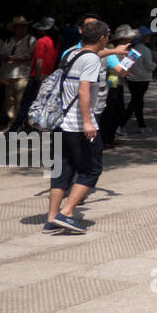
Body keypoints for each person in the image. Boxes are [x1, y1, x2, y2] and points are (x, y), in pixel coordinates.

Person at [45, 19, 112, 234]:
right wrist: (87, 122)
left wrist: (116, 51)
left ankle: (51, 218)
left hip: (59, 123)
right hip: (77, 125)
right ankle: (67, 213)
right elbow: (83, 91)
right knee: (91, 170)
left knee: (61, 172)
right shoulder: (91, 59)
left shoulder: (71, 54)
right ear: (102, 38)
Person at [12, 17, 59, 131]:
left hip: (37, 76)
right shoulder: (56, 42)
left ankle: (14, 129)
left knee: (25, 104)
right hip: (49, 77)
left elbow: (39, 60)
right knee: (40, 104)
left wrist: (37, 76)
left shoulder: (41, 41)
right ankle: (30, 127)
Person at [98, 26, 139, 148]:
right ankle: (105, 140)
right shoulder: (110, 50)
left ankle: (110, 138)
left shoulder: (120, 49)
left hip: (118, 83)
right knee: (109, 113)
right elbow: (119, 70)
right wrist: (130, 59)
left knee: (118, 111)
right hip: (111, 84)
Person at [117, 27, 156, 136]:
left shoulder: (132, 49)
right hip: (143, 79)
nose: (149, 38)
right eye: (148, 36)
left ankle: (142, 125)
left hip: (131, 79)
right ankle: (121, 125)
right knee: (135, 102)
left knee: (138, 102)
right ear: (143, 37)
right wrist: (155, 64)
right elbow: (149, 66)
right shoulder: (145, 50)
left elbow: (125, 65)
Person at [0, 16, 35, 129]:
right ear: (15, 28)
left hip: (23, 74)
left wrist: (22, 59)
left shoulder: (31, 40)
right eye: (19, 27)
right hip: (9, 74)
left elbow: (35, 56)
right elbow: (1, 55)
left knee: (20, 100)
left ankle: (21, 124)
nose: (22, 29)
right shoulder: (9, 41)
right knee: (9, 102)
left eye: (24, 26)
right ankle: (12, 122)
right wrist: (6, 58)